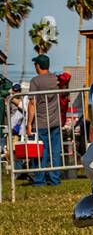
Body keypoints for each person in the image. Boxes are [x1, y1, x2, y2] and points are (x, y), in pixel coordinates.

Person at [26, 54, 62, 186]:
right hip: (55, 121)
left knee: (41, 152)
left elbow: (32, 103)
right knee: (55, 152)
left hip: (40, 122)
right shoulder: (56, 79)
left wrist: (29, 123)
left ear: (38, 65)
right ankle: (55, 179)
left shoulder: (35, 81)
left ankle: (39, 180)